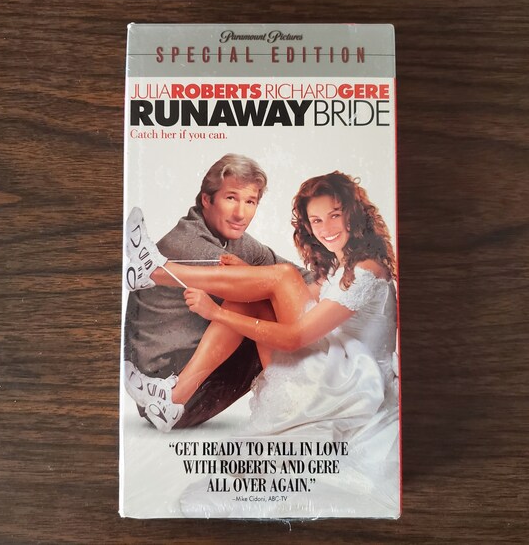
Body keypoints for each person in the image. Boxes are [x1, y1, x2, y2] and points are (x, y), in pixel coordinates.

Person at [125, 171, 400, 516]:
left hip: (349, 386)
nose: (326, 228)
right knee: (254, 295)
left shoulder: (367, 270)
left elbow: (295, 336)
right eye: (316, 220)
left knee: (280, 277)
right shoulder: (340, 268)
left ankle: (155, 272)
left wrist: (216, 313)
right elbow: (289, 295)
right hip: (330, 372)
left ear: (353, 214)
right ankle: (173, 398)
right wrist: (249, 274)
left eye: (334, 215)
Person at [123, 153, 311, 428]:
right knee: (254, 295)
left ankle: (155, 271)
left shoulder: (236, 242)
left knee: (271, 285)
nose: (240, 213)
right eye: (231, 198)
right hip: (165, 389)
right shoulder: (187, 243)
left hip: (192, 388)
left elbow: (299, 278)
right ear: (206, 200)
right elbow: (275, 281)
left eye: (250, 202)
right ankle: (286, 403)